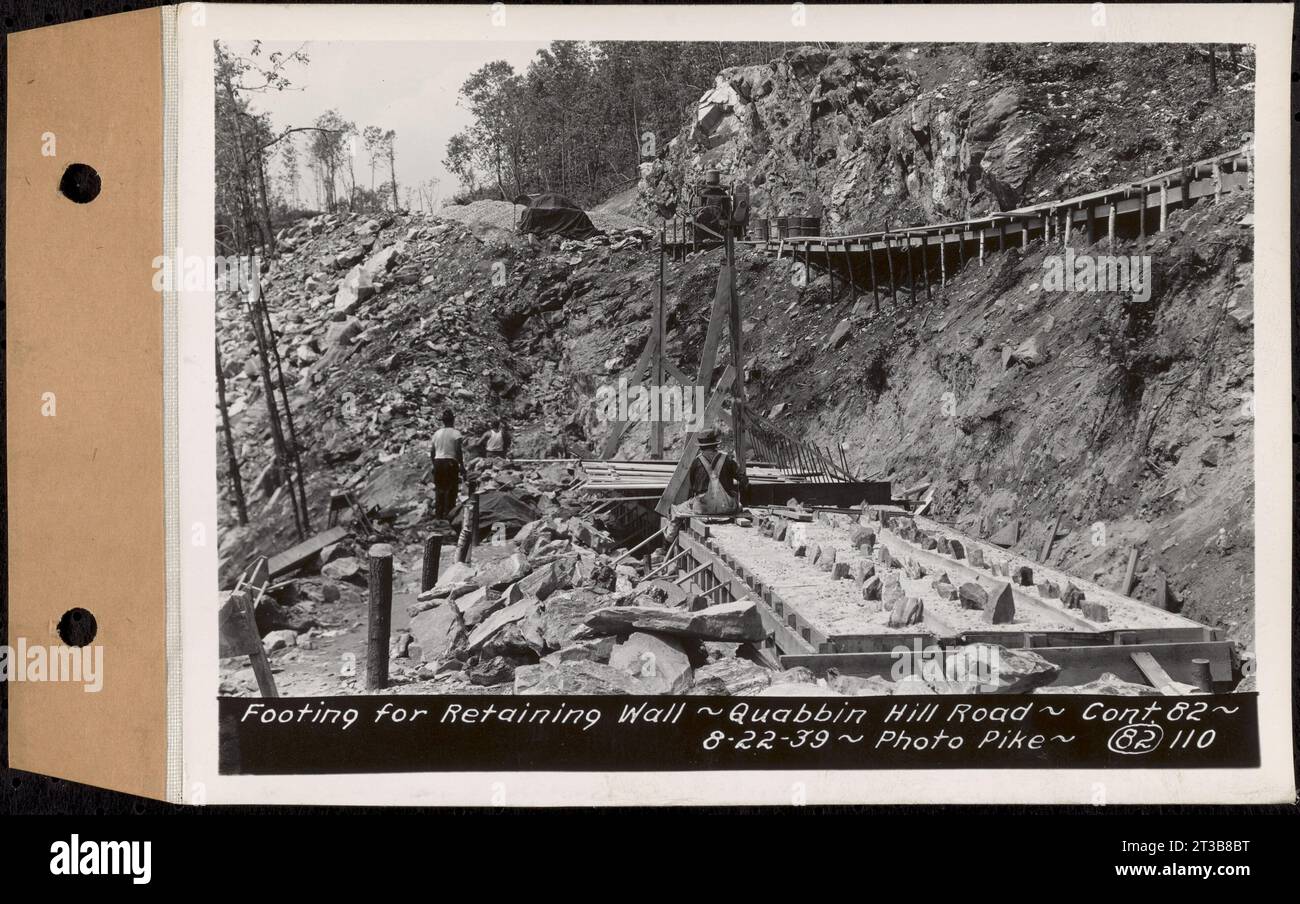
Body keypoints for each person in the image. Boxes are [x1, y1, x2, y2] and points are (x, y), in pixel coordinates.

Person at [685, 428, 745, 517]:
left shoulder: (696, 462)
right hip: (727, 507)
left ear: (701, 446)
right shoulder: (727, 459)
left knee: (684, 506)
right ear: (715, 445)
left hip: (702, 508)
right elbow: (743, 479)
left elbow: (692, 486)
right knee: (738, 505)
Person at [431, 409, 463, 521]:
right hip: (450, 462)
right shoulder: (456, 433)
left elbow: (432, 452)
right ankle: (449, 515)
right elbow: (458, 451)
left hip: (438, 462)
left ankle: (438, 516)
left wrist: (434, 465)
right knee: (451, 489)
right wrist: (462, 466)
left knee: (439, 489)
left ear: (443, 421)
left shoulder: (436, 433)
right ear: (453, 420)